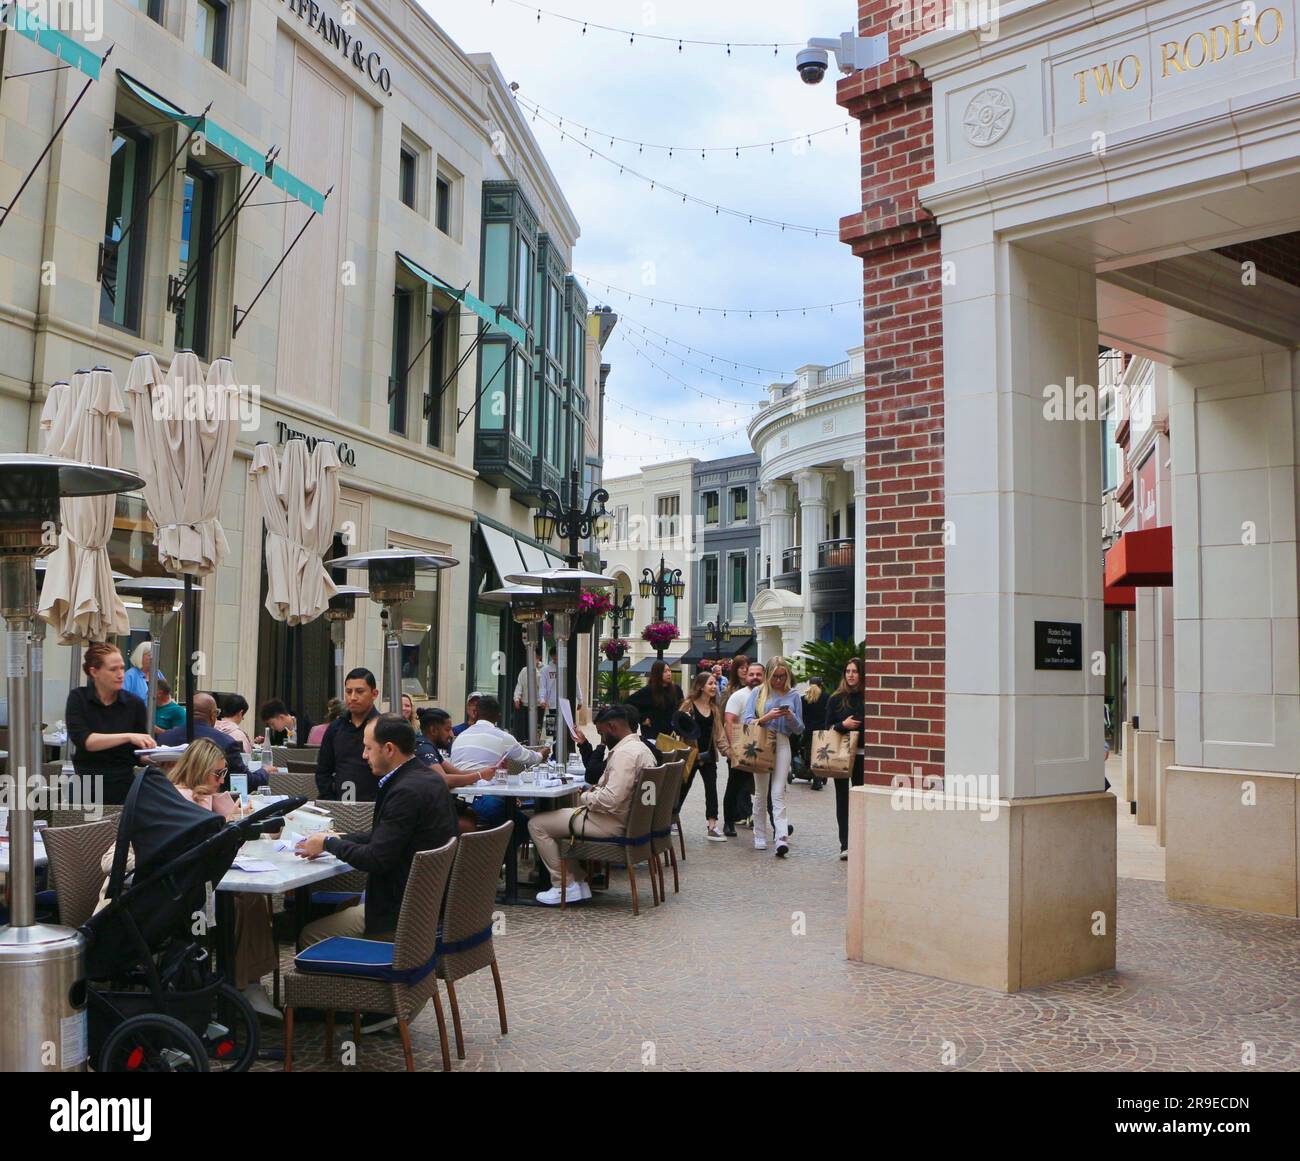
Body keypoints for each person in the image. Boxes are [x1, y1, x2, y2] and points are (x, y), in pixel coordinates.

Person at [296, 714, 460, 962]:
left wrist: (329, 843)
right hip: (427, 907)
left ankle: (339, 997)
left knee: (309, 933)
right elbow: (388, 837)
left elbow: (376, 858)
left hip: (399, 917)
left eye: (368, 748)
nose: (364, 755)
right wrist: (339, 838)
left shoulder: (404, 791)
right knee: (343, 909)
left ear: (389, 749)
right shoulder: (426, 780)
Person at [166, 739, 280, 1017]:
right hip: (177, 892)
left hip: (206, 884)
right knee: (247, 902)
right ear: (198, 769)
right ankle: (245, 985)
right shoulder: (178, 798)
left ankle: (247, 983)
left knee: (250, 898)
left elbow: (236, 829)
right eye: (216, 774)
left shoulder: (209, 793)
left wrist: (252, 822)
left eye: (224, 773)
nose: (221, 780)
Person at [527, 704, 657, 905]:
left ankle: (564, 884)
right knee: (559, 818)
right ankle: (578, 881)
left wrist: (586, 797)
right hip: (630, 822)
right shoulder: (642, 749)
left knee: (537, 824)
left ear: (612, 727)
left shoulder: (625, 754)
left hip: (611, 823)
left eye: (602, 733)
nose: (602, 739)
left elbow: (611, 799)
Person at [67, 642, 156, 805]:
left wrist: (159, 758)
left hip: (123, 785)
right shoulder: (79, 698)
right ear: (94, 672)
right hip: (86, 784)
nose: (121, 674)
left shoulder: (134, 704)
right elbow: (85, 741)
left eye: (122, 668)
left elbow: (137, 754)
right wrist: (128, 736)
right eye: (113, 669)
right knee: (81, 830)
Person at [449, 695, 546, 828]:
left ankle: (499, 845)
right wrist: (542, 753)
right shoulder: (503, 737)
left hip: (456, 802)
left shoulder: (460, 736)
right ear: (498, 716)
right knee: (531, 827)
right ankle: (506, 847)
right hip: (483, 801)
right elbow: (530, 759)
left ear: (476, 713)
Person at [741, 657, 802, 858]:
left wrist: (790, 717)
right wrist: (766, 718)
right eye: (775, 676)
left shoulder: (794, 695)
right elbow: (747, 721)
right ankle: (759, 834)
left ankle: (781, 836)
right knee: (761, 791)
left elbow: (801, 728)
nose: (778, 680)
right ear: (769, 675)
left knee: (778, 792)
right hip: (762, 741)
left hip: (783, 741)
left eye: (782, 676)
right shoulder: (758, 693)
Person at [314, 669, 380, 801]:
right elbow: (323, 771)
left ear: (374, 694)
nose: (353, 697)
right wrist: (331, 799)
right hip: (341, 803)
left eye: (360, 691)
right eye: (349, 692)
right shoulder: (335, 727)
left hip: (375, 806)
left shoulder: (383, 727)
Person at [679, 672, 731, 840]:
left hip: (707, 755)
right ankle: (670, 818)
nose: (714, 686)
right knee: (682, 788)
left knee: (711, 788)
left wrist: (728, 752)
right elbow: (677, 726)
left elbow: (720, 734)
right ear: (701, 686)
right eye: (710, 683)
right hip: (690, 755)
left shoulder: (715, 709)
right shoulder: (688, 705)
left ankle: (712, 825)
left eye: (715, 683)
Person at [826, 657, 866, 860]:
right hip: (840, 755)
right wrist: (843, 725)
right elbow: (828, 728)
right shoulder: (835, 699)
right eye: (848, 671)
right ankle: (845, 844)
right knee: (842, 800)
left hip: (861, 755)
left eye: (855, 671)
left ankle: (862, 841)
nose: (850, 675)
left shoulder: (867, 697)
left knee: (861, 799)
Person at [158, 692, 250, 779]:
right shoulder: (226, 743)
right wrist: (264, 772)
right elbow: (241, 779)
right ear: (212, 715)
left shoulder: (164, 738)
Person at [721, 660, 764, 836]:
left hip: (764, 749)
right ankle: (729, 822)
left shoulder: (769, 695)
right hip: (742, 748)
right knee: (735, 786)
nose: (754, 677)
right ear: (746, 676)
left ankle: (778, 826)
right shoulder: (738, 696)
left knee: (766, 789)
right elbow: (729, 721)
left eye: (758, 674)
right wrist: (733, 748)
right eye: (751, 674)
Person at [569, 705, 661, 784]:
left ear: (615, 727)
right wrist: (584, 744)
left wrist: (602, 744)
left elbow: (592, 775)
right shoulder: (644, 745)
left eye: (602, 733)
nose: (604, 737)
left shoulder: (625, 752)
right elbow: (596, 770)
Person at [627, 660, 682, 740]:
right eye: (665, 671)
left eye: (669, 670)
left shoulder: (676, 689)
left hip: (670, 735)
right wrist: (642, 719)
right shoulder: (648, 691)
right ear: (657, 673)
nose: (669, 674)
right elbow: (628, 703)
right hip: (652, 734)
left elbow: (680, 707)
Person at [801, 677, 829, 791]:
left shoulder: (803, 698)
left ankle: (810, 772)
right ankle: (818, 780)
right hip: (822, 731)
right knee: (820, 755)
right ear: (821, 685)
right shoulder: (826, 697)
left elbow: (801, 715)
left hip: (808, 731)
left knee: (809, 753)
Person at [512, 657, 547, 739]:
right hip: (525, 704)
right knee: (525, 727)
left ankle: (536, 742)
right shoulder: (524, 670)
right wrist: (516, 698)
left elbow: (542, 686)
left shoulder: (543, 670)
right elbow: (519, 684)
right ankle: (526, 743)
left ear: (538, 659)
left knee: (537, 726)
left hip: (538, 704)